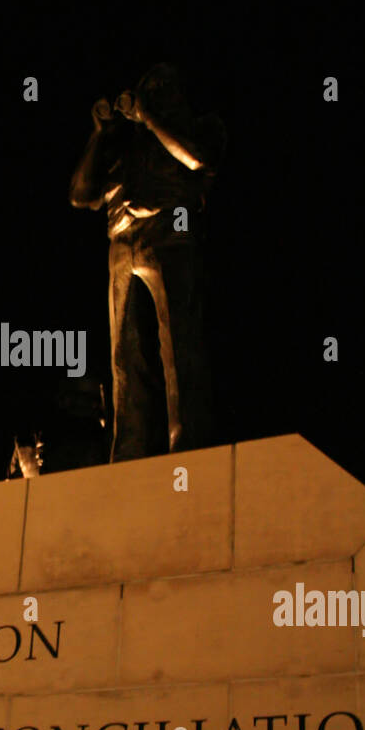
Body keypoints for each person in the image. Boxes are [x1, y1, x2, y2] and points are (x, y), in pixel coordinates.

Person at [69, 62, 226, 459]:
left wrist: (149, 117)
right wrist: (100, 135)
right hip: (122, 243)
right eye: (147, 89)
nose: (153, 94)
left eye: (161, 88)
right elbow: (80, 194)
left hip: (172, 235)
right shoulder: (125, 145)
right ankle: (130, 447)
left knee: (180, 346)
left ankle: (189, 440)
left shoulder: (199, 127)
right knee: (126, 356)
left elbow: (197, 159)